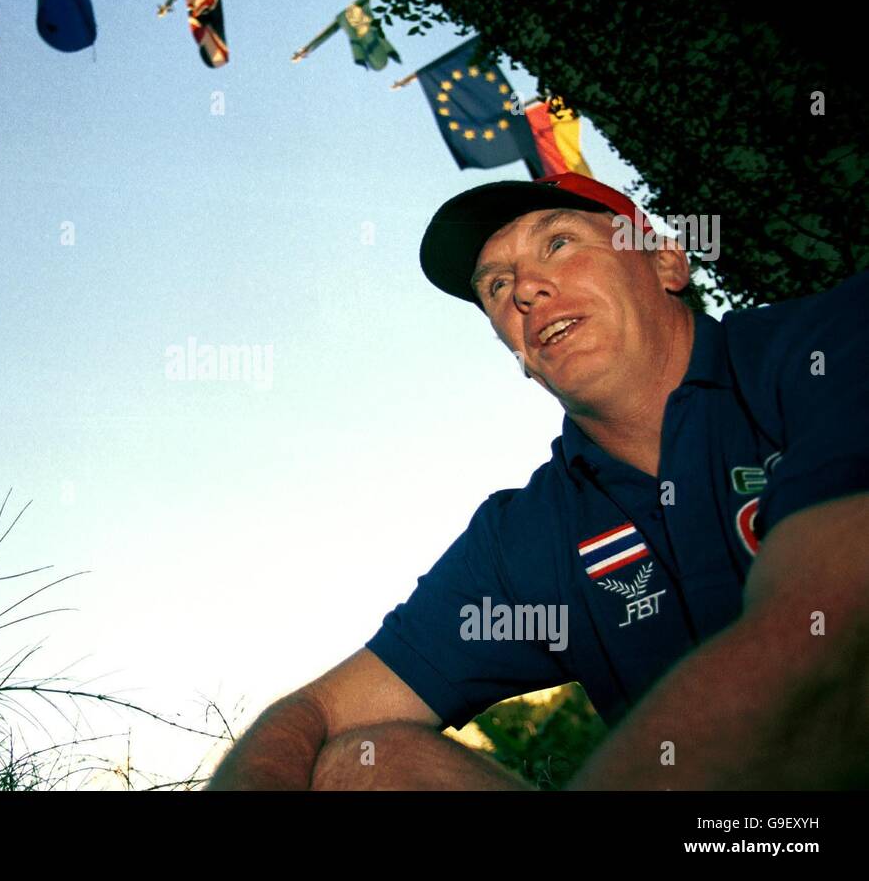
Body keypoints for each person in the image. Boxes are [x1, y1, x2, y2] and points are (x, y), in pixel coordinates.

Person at [207, 173, 869, 790]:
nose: (525, 289)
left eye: (559, 242)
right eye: (496, 287)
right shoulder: (527, 535)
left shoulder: (825, 346)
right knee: (356, 769)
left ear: (665, 261)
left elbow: (832, 638)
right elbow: (319, 711)